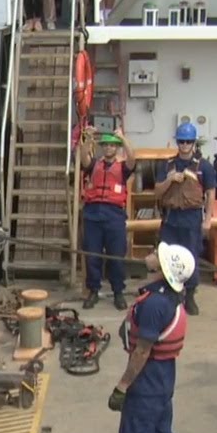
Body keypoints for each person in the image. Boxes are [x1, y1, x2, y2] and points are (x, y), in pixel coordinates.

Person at [99, 242, 196, 433]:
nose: (152, 253)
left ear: (162, 269)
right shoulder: (170, 296)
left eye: (157, 253)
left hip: (148, 380)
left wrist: (122, 386)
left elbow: (142, 351)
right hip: (165, 378)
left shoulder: (153, 304)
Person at [151, 121, 216, 316]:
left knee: (191, 257)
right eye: (181, 141)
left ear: (194, 143)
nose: (185, 145)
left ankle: (190, 295)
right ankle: (171, 293)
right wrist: (170, 179)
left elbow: (211, 193)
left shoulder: (205, 167)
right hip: (171, 219)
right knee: (167, 257)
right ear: (177, 142)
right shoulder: (167, 165)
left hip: (192, 218)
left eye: (188, 141)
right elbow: (157, 192)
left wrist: (208, 219)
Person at [78, 128, 136, 310]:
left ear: (117, 148)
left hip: (114, 216)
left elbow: (133, 159)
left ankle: (118, 292)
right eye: (106, 145)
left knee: (116, 256)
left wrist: (123, 138)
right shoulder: (94, 164)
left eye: (113, 145)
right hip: (93, 214)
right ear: (102, 147)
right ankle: (93, 291)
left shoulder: (123, 168)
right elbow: (83, 158)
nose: (109, 148)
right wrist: (88, 138)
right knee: (93, 256)